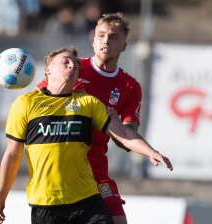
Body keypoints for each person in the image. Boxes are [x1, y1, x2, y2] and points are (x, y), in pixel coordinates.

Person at [0, 46, 173, 224]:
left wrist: (151, 152)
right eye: (66, 62)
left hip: (86, 200)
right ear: (48, 69)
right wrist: (0, 200)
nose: (72, 66)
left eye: (76, 65)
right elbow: (13, 155)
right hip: (45, 204)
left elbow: (124, 132)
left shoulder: (88, 103)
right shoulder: (25, 104)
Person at [37, 13, 141, 224]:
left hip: (96, 171)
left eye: (113, 37)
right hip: (62, 170)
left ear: (124, 46)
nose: (105, 41)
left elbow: (128, 141)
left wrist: (115, 125)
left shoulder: (130, 86)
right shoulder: (72, 68)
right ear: (93, 41)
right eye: (101, 35)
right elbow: (39, 104)